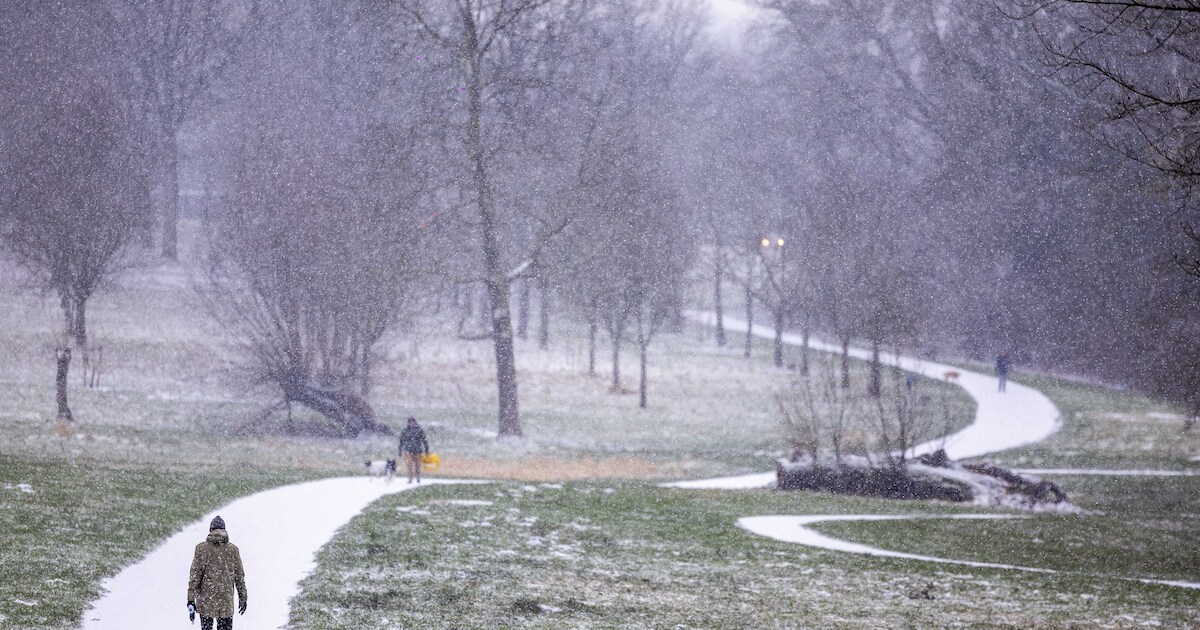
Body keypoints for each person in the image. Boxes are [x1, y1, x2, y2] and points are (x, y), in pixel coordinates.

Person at [188, 516, 247, 630]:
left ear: (210, 530)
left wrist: (190, 600)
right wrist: (243, 597)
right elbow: (239, 576)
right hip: (225, 601)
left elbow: (195, 576)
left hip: (206, 601)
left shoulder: (201, 548)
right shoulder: (233, 550)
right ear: (224, 530)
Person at [399, 416, 430, 484]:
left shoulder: (419, 430)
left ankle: (418, 477)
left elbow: (424, 440)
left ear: (415, 422)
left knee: (417, 465)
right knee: (409, 465)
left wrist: (426, 449)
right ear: (408, 423)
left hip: (418, 451)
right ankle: (410, 478)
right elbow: (401, 441)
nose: (411, 423)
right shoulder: (405, 431)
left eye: (412, 422)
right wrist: (400, 450)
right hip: (408, 451)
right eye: (410, 422)